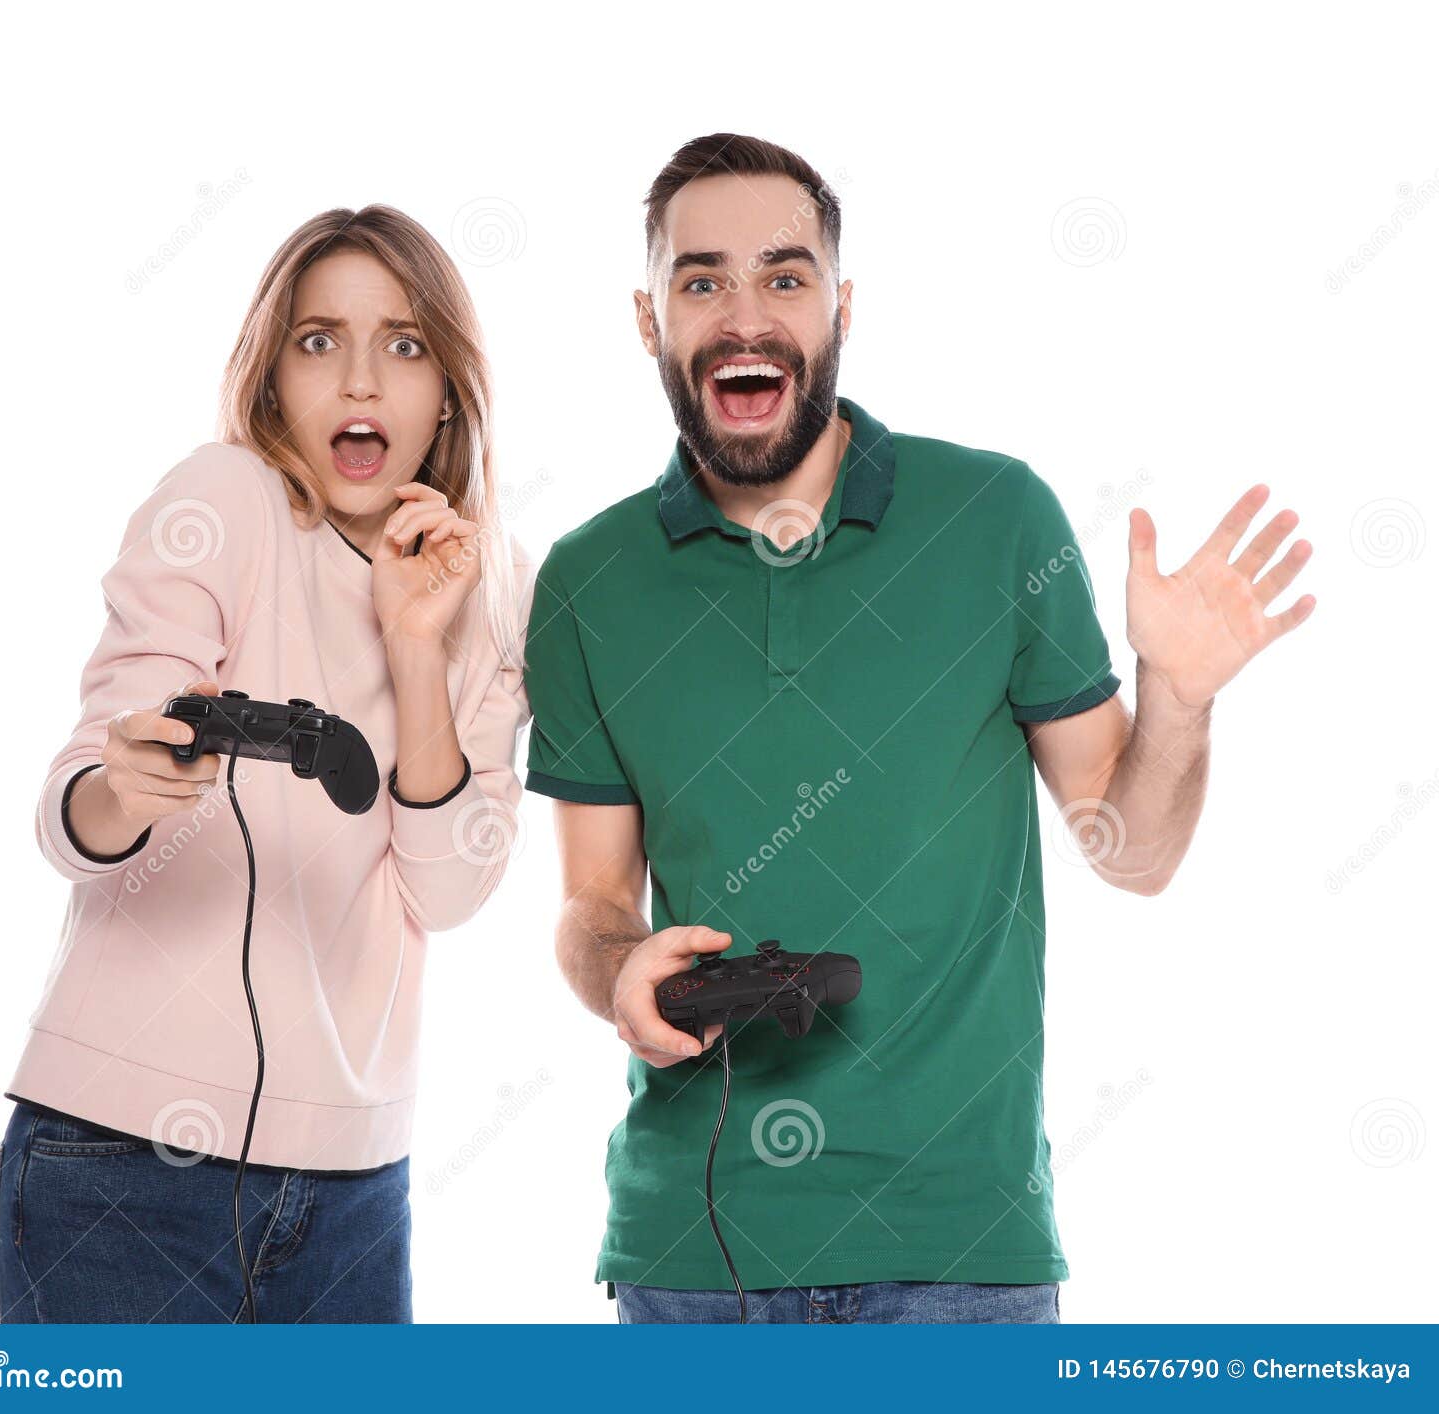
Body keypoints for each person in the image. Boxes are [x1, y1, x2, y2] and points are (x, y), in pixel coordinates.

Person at [523, 134, 1315, 1324]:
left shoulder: (995, 518)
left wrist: (1181, 701)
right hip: (692, 1262)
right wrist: (614, 969)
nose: (745, 317)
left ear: (842, 306)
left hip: (959, 1256)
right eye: (702, 281)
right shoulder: (589, 579)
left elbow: (1134, 852)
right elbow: (590, 909)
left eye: (785, 278)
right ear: (648, 318)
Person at [0, 205, 533, 1323]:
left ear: (447, 390)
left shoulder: (493, 587)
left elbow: (449, 886)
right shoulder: (224, 499)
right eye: (318, 340)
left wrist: (416, 645)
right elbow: (81, 798)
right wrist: (120, 792)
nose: (360, 383)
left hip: (353, 1183)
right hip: (117, 1162)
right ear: (273, 374)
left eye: (404, 343)